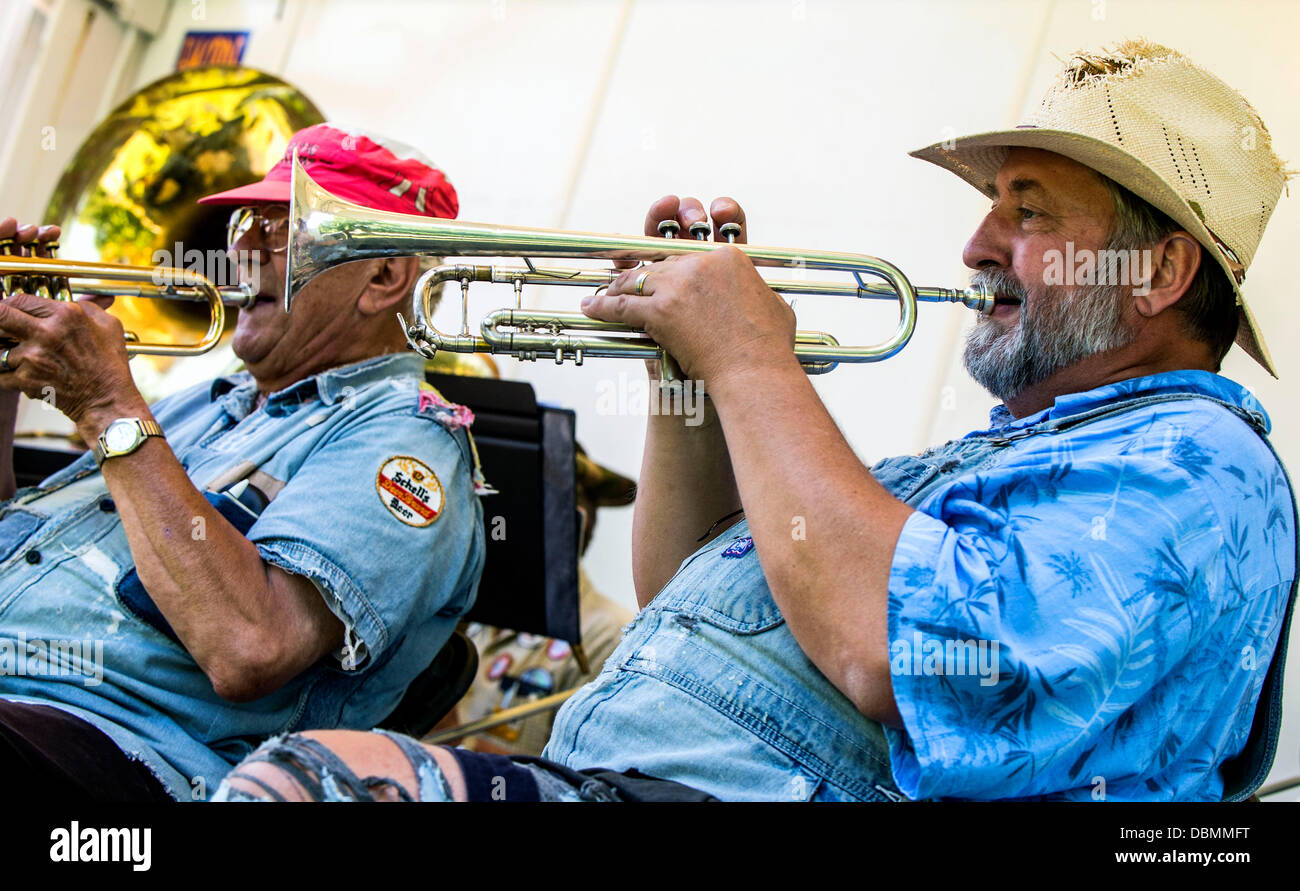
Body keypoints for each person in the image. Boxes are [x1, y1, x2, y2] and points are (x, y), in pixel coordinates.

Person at [214, 40, 1296, 803]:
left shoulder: (1195, 467)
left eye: (1027, 209)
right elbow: (686, 585)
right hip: (619, 777)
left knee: (309, 788)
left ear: (1157, 270)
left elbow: (896, 654)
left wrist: (748, 354)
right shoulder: (1003, 452)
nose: (976, 242)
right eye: (990, 202)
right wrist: (690, 378)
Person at [0, 123, 485, 801]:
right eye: (248, 221)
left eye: (281, 225)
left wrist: (108, 405)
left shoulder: (405, 438)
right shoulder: (201, 401)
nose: (244, 245)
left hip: (112, 750)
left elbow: (250, 644)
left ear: (381, 275)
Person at [449, 445, 635, 757]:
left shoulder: (609, 637)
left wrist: (451, 738)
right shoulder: (474, 615)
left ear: (573, 524)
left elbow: (581, 782)